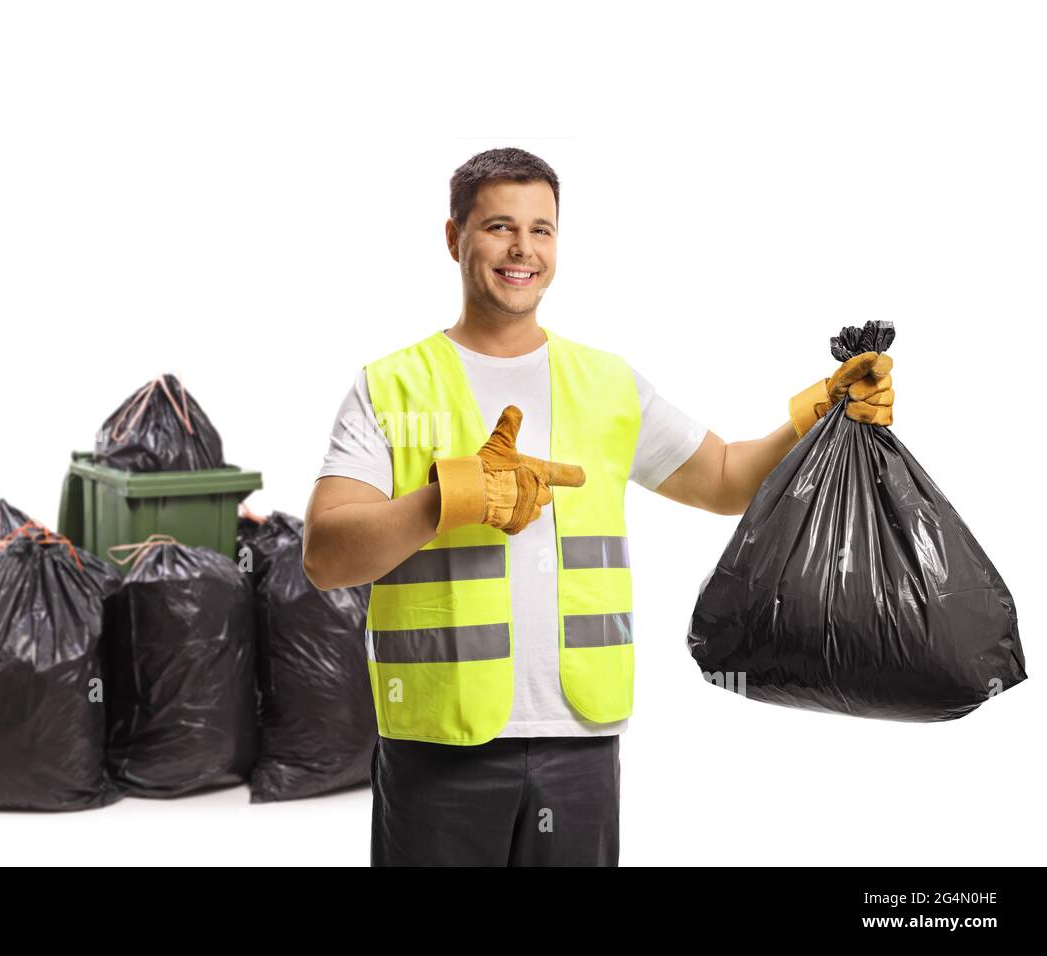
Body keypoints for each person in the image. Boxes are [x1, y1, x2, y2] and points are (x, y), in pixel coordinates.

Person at [302, 147, 894, 867]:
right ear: (454, 238)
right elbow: (326, 555)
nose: (523, 249)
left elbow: (727, 479)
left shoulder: (607, 384)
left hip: (579, 744)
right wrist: (446, 499)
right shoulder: (390, 387)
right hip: (437, 747)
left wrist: (818, 416)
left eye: (542, 230)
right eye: (498, 226)